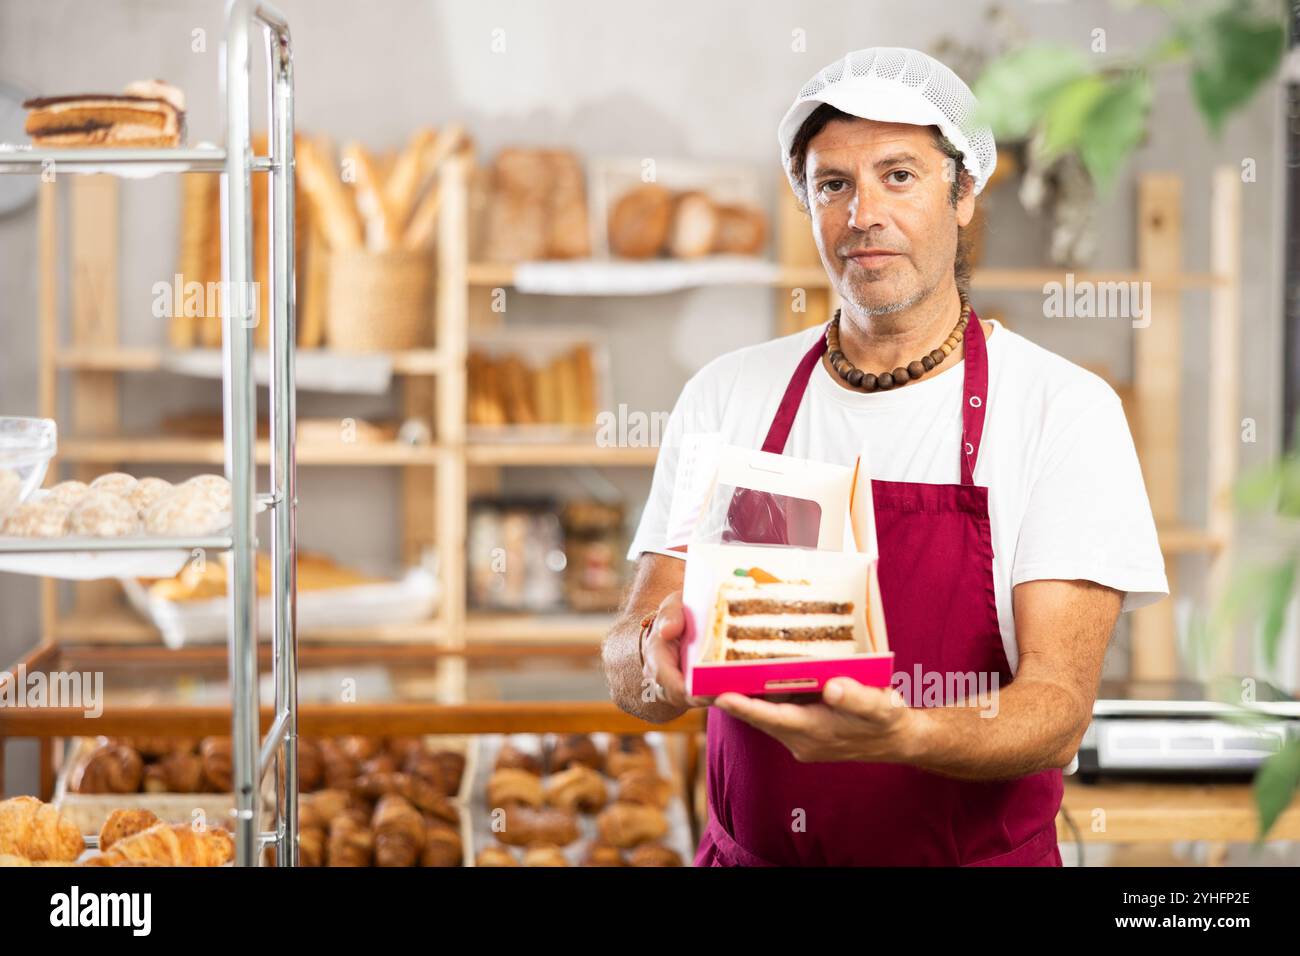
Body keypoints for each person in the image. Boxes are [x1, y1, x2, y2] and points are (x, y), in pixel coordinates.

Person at [602, 47, 1169, 866]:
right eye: (833, 184)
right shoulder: (728, 397)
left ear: (965, 192)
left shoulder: (1062, 411)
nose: (863, 213)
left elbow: (1057, 709)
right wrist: (655, 665)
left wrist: (905, 733)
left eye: (898, 175)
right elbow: (632, 646)